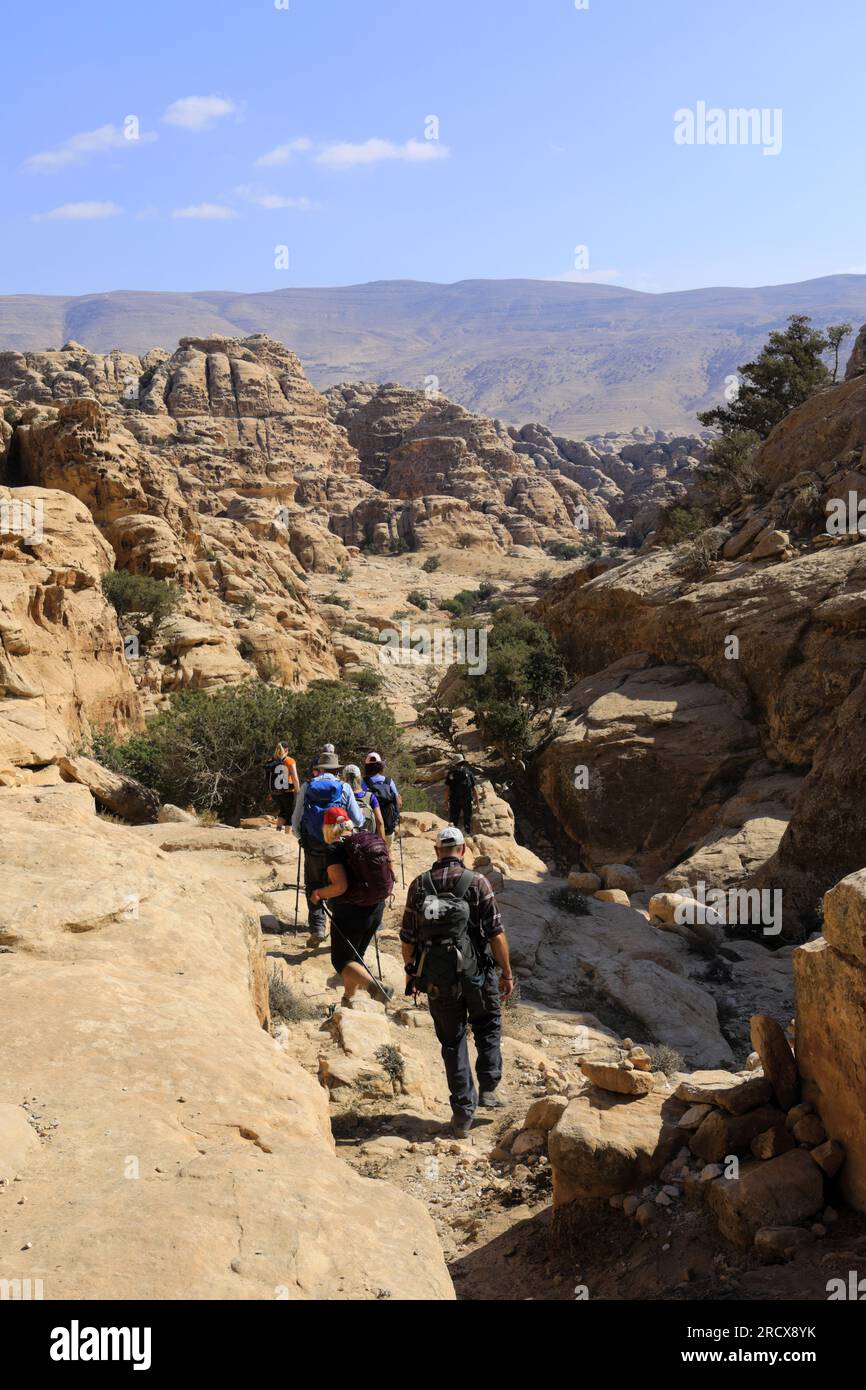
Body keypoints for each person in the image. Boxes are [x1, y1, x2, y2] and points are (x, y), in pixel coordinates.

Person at [401, 826, 513, 1137]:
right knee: (487, 1023)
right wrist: (506, 972)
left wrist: (412, 972)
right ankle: (489, 1088)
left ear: (437, 851)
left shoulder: (419, 885)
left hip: (438, 977)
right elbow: (496, 933)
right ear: (462, 850)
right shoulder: (477, 882)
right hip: (477, 974)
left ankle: (463, 1114)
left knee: (452, 1042)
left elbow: (408, 937)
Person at [310, 807, 395, 1007]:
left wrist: (319, 893)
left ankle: (376, 988)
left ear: (327, 827)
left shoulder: (335, 849)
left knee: (341, 961)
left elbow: (340, 887)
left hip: (351, 912)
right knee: (354, 958)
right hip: (376, 907)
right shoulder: (365, 838)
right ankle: (348, 999)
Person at [292, 751, 364, 948]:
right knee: (337, 886)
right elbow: (358, 820)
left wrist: (303, 838)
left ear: (320, 768)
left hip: (313, 847)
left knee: (313, 884)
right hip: (337, 847)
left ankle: (317, 928)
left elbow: (296, 820)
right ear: (337, 770)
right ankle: (338, 929)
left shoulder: (307, 786)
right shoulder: (344, 787)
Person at [362, 752, 402, 846]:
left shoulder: (363, 783)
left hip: (370, 829)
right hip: (388, 826)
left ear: (366, 767)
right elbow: (398, 802)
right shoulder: (389, 781)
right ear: (380, 766)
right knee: (386, 851)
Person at [342, 764, 385, 839]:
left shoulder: (342, 796)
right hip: (368, 841)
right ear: (359, 778)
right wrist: (382, 843)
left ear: (344, 778)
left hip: (348, 841)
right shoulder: (370, 796)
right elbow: (380, 822)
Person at [265, 742, 300, 832]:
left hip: (275, 793)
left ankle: (278, 830)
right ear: (287, 749)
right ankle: (287, 834)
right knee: (290, 813)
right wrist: (298, 791)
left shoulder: (271, 761)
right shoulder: (289, 761)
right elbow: (295, 778)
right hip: (288, 792)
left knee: (283, 811)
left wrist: (270, 792)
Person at [444, 756, 481, 834]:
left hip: (454, 800)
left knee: (453, 820)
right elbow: (474, 788)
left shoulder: (451, 774)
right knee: (467, 819)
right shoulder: (469, 773)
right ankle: (467, 833)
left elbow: (447, 789)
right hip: (467, 800)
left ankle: (452, 835)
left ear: (455, 763)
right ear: (462, 762)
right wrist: (477, 802)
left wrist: (446, 802)